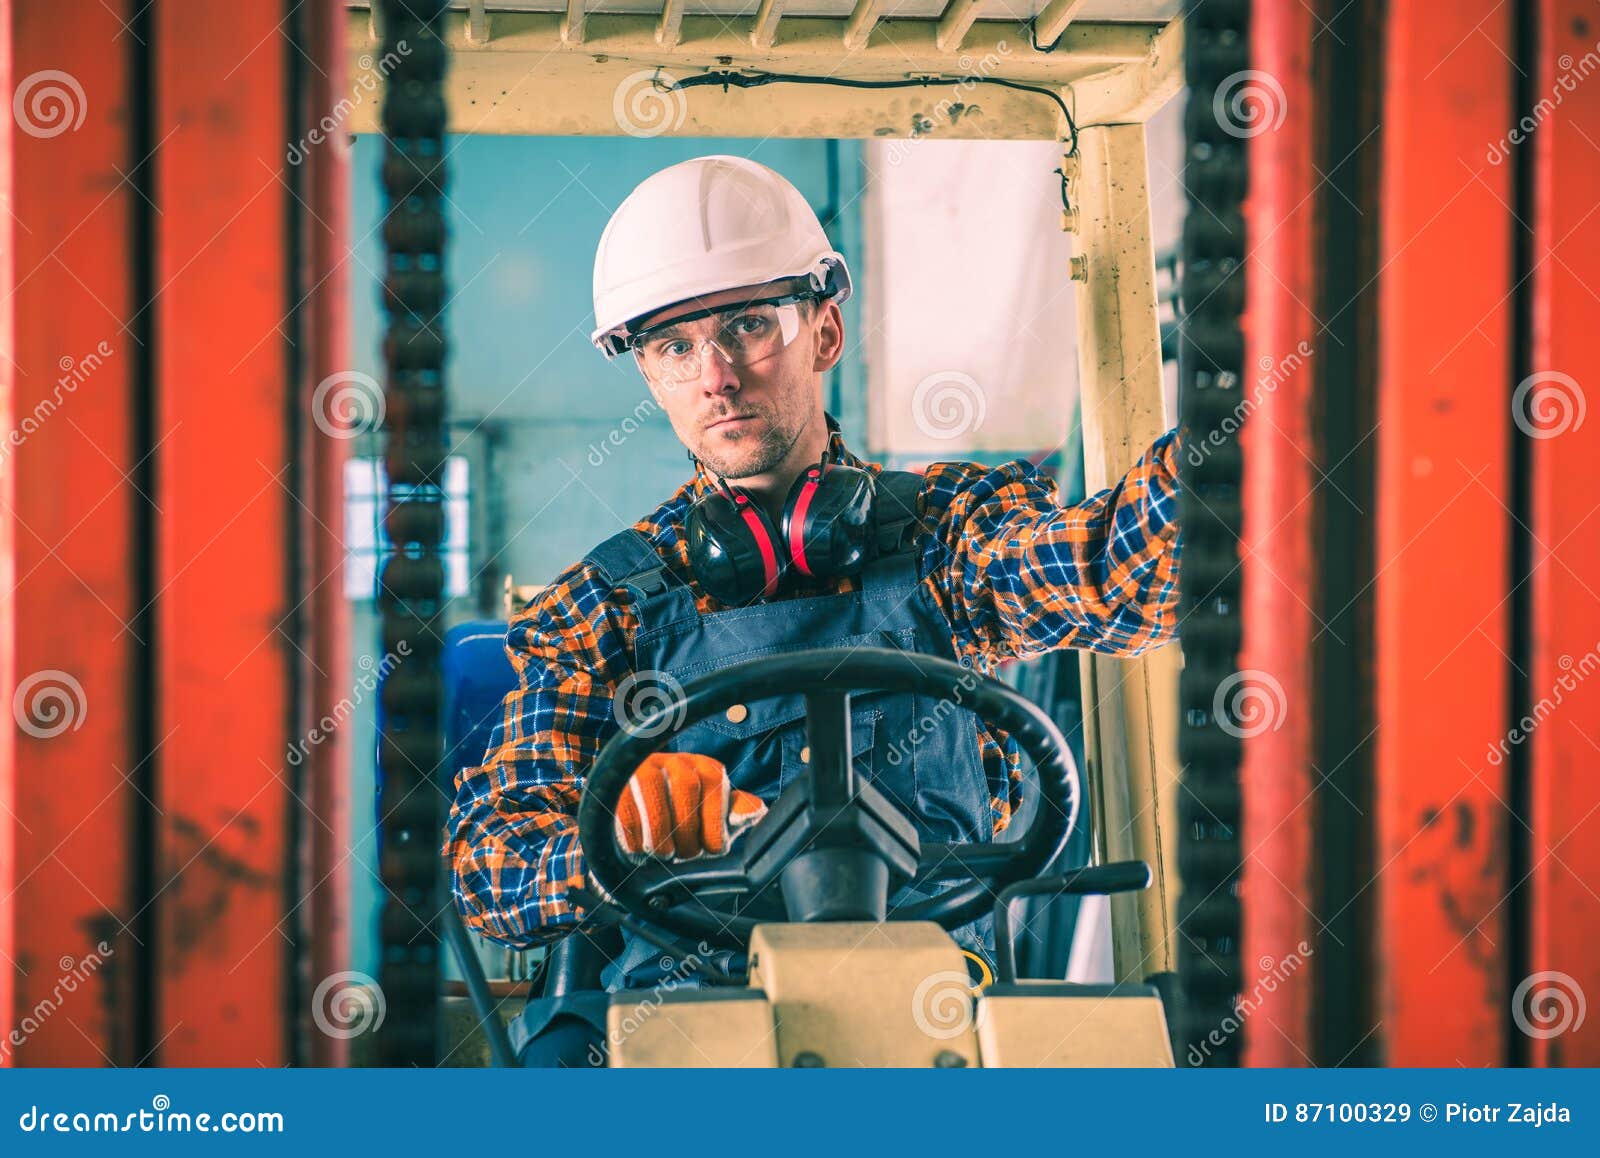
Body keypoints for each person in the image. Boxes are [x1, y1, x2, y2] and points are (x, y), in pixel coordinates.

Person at [445, 154, 1182, 1066]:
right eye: (675, 348)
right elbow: (493, 869)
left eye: (749, 326)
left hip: (942, 1030)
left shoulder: (949, 535)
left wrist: (1242, 419)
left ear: (826, 332)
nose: (716, 376)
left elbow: (1117, 570)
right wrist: (616, 832)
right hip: (691, 1041)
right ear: (650, 379)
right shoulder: (601, 607)